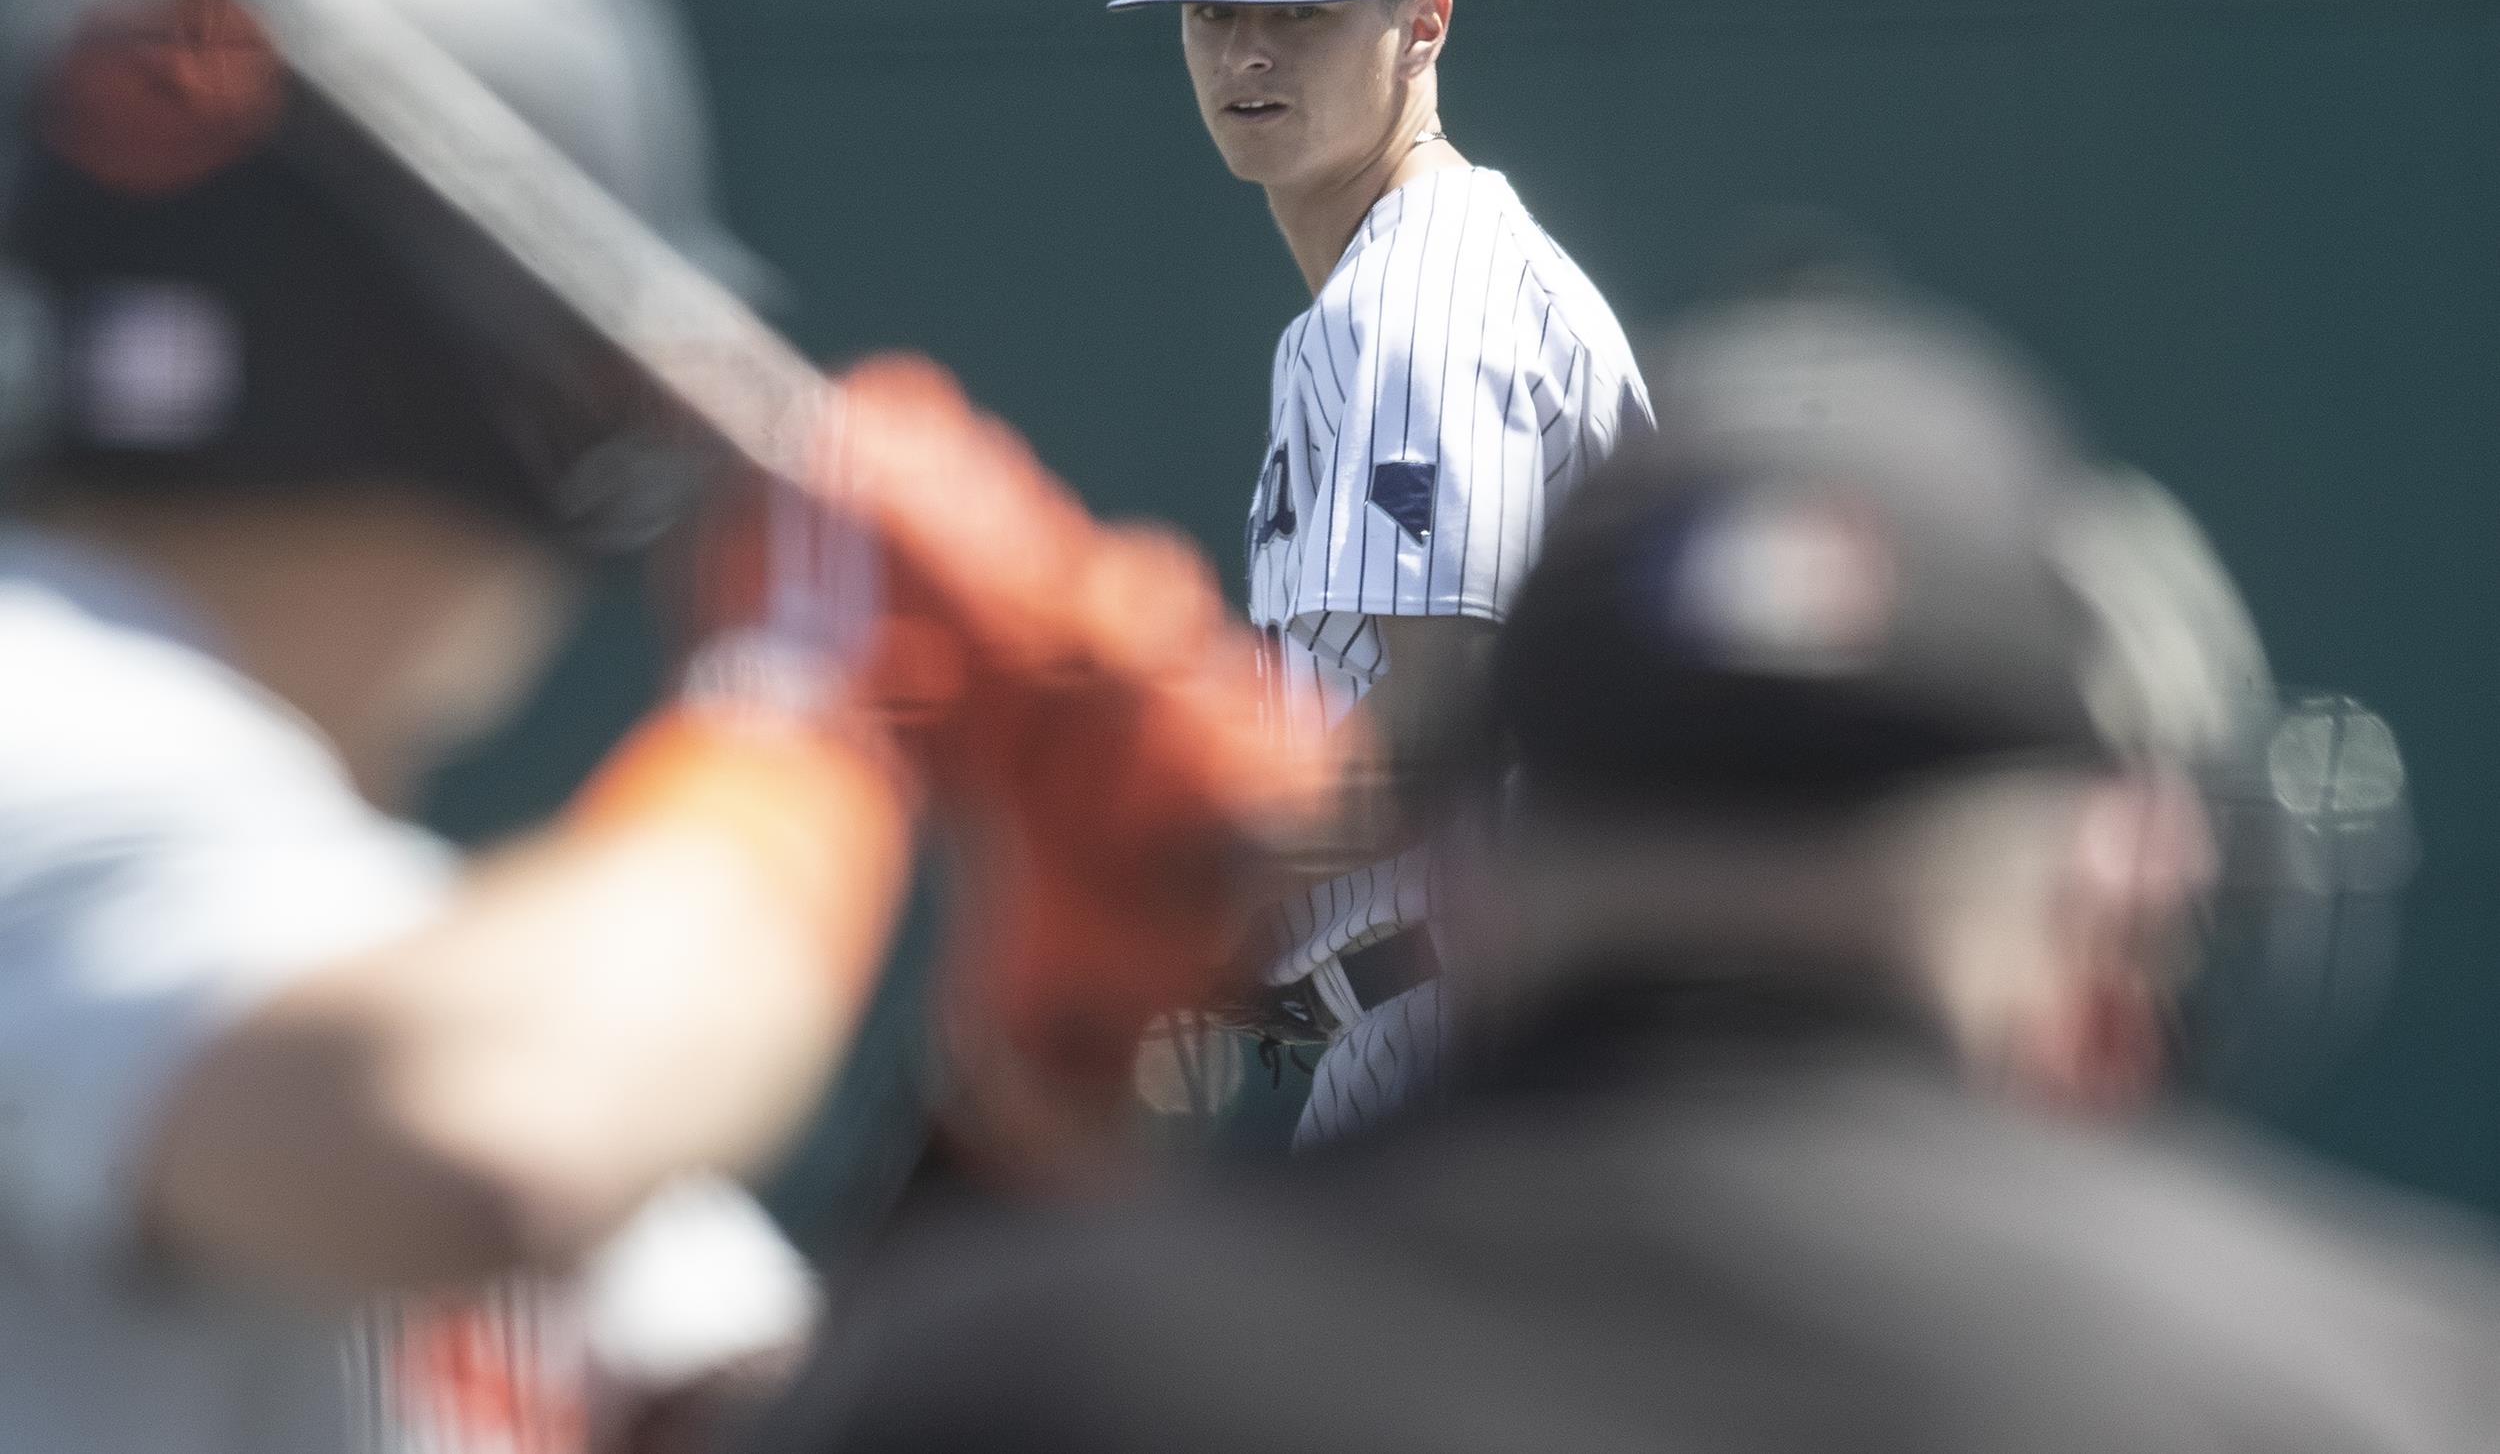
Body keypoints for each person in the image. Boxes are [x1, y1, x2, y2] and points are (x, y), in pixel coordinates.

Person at [0, 0, 1290, 1453]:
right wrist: (818, 701)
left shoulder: (385, 924)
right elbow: (487, 1131)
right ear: (555, 409)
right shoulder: (39, 716)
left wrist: (1044, 1097)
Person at [752, 280, 2496, 1454]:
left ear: (1461, 859)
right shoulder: (2397, 1389)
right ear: (2130, 873)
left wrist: (998, 1126)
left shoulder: (1028, 1377)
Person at [1107, 0, 1652, 1146]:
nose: (1247, 51)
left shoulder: (1416, 301)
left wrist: (1176, 886)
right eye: (1216, 11)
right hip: (1492, 1019)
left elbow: (1438, 734)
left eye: (1299, 12)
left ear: (1422, 26)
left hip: (1478, 1026)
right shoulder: (1403, 280)